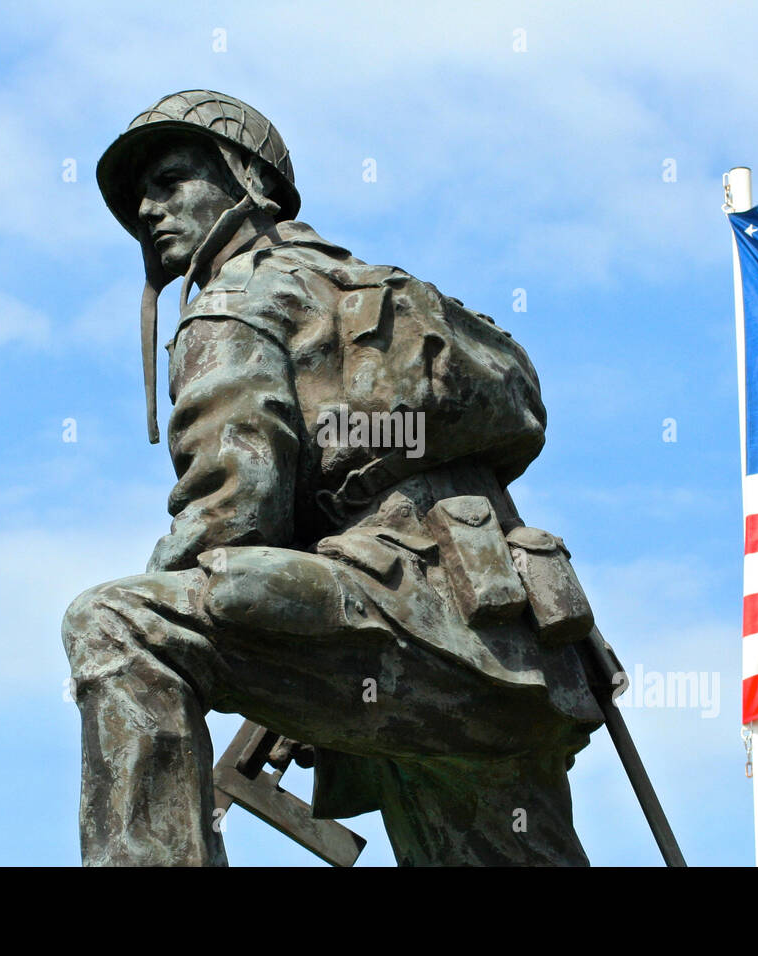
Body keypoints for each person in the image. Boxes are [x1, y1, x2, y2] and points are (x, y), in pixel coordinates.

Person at [63, 90, 605, 865]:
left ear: (245, 177)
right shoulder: (385, 290)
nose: (149, 210)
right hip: (518, 656)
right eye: (141, 197)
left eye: (172, 180)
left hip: (402, 631)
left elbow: (229, 518)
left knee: (121, 624)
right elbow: (518, 425)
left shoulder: (234, 303)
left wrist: (222, 598)